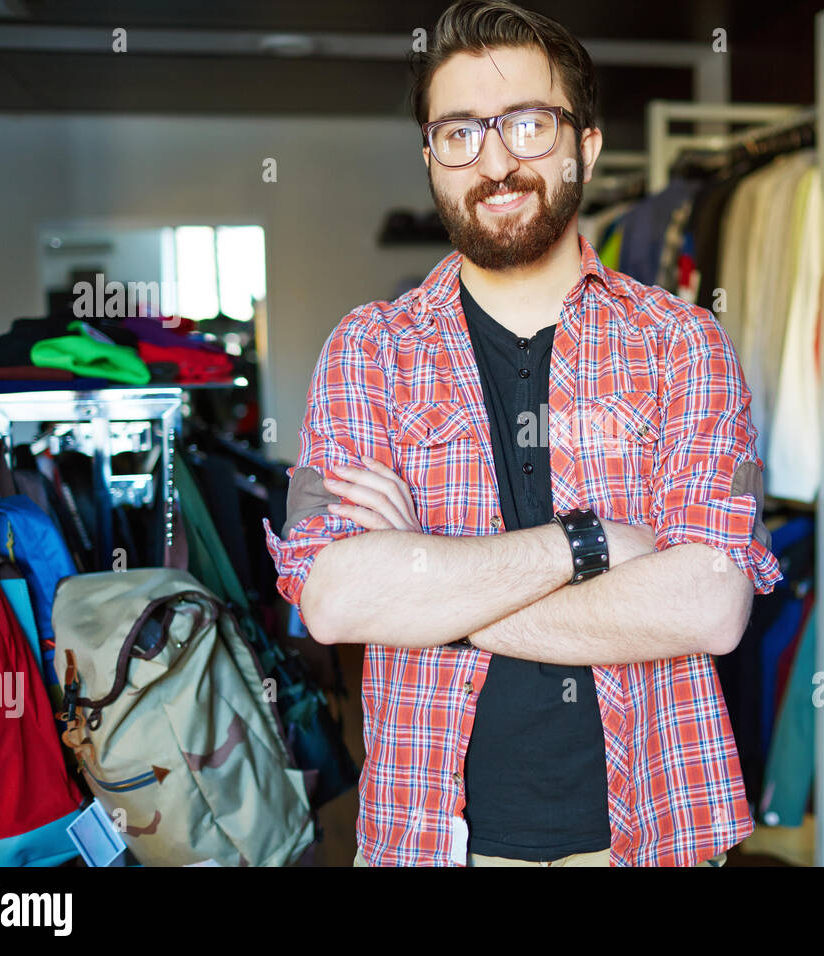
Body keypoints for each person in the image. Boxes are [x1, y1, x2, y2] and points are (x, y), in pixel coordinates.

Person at [265, 0, 782, 867]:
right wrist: (588, 545)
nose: (496, 160)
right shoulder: (368, 350)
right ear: (431, 158)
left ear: (586, 144)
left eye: (529, 124)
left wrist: (429, 590)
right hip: (431, 837)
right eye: (460, 132)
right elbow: (332, 600)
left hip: (650, 828)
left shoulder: (684, 345)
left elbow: (711, 603)